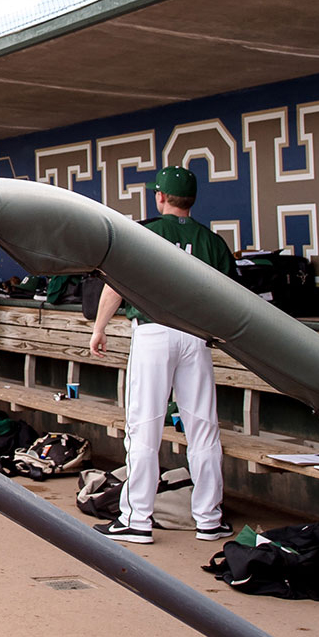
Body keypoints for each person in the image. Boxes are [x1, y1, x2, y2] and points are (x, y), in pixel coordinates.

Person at [87, 165, 237, 544]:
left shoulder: (145, 233)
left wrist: (100, 327)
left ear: (161, 197)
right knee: (203, 429)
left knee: (144, 427)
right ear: (191, 199)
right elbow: (233, 297)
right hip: (196, 336)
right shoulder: (212, 242)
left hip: (154, 332)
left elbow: (115, 286)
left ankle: (137, 519)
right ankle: (208, 518)